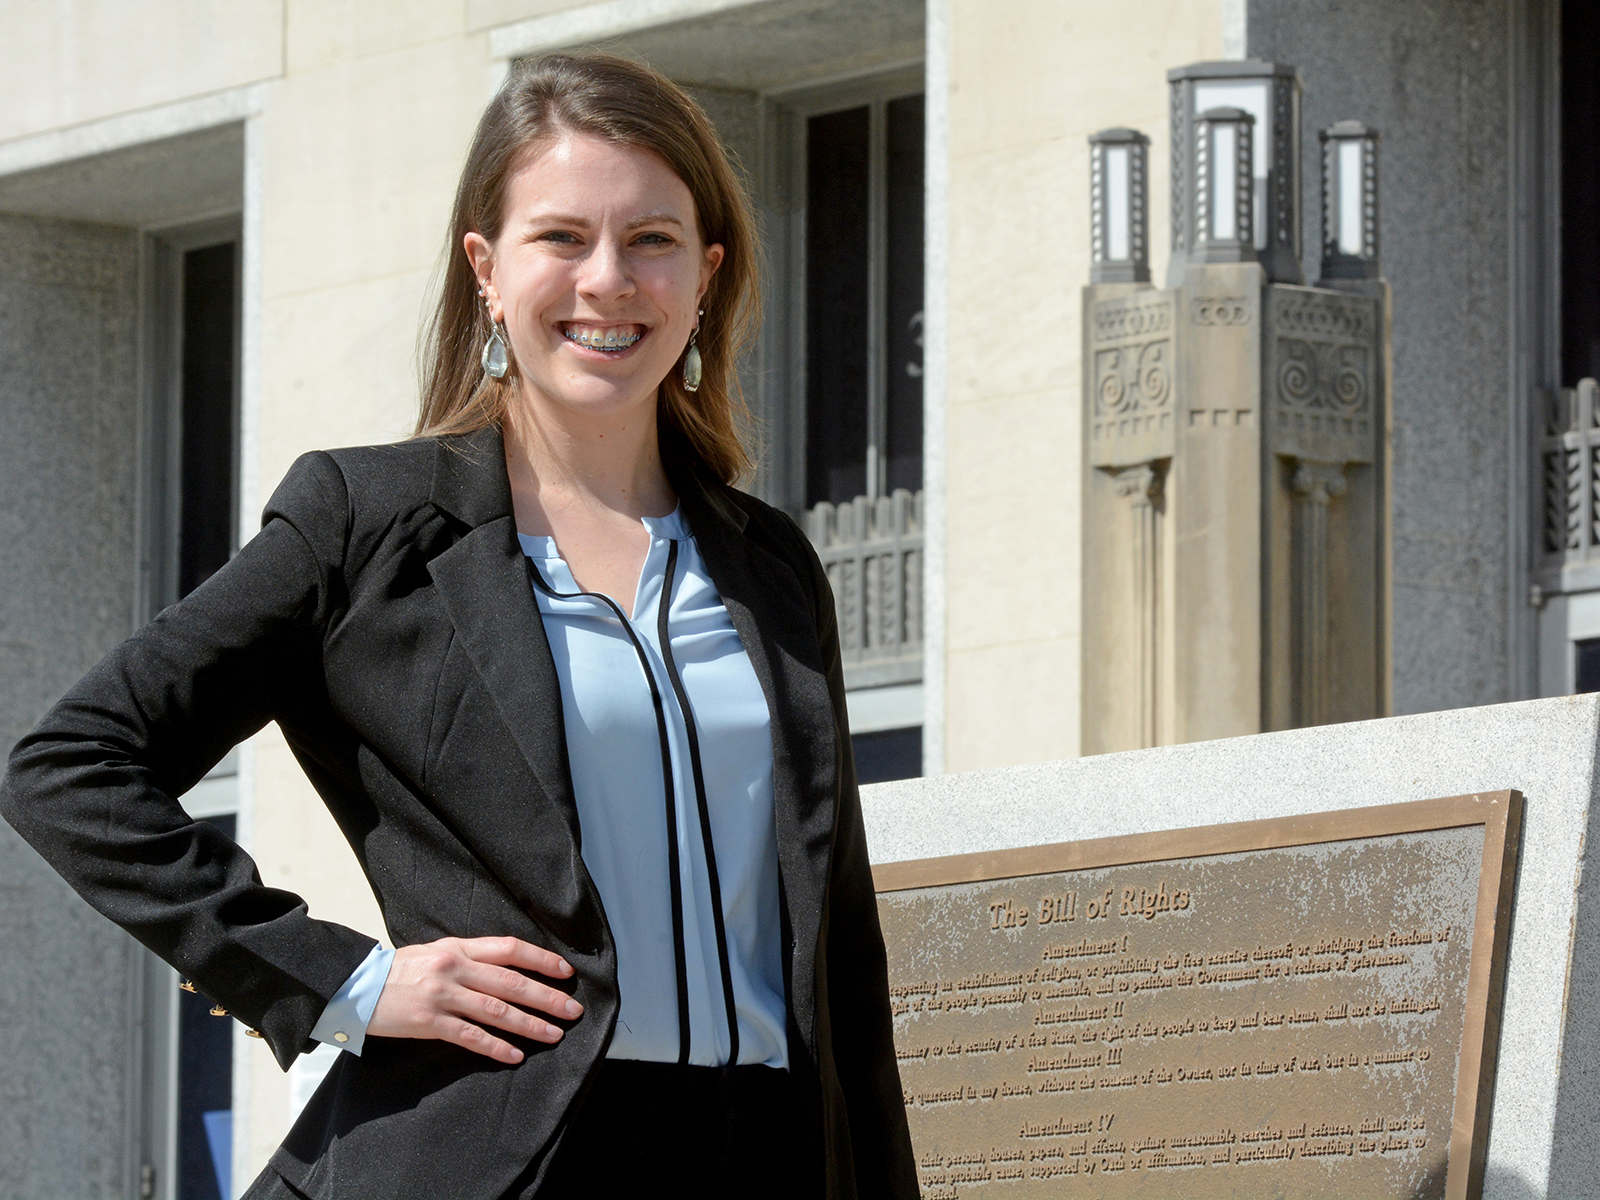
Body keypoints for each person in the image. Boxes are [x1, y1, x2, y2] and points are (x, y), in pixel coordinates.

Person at [0, 53, 917, 1200]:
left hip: (767, 1157)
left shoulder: (769, 563)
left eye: (651, 240)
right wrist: (343, 983)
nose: (608, 280)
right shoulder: (368, 525)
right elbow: (71, 766)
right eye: (561, 238)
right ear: (486, 270)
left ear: (705, 274)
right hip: (500, 1165)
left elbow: (842, 955)